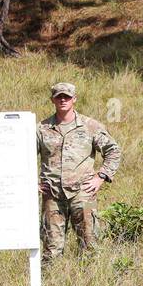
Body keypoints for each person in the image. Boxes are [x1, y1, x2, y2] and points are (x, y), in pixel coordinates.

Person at [37, 82, 121, 261]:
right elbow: (23, 156)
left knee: (89, 244)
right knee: (51, 248)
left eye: (66, 97)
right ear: (52, 99)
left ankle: (90, 285)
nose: (62, 100)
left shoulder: (90, 126)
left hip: (83, 193)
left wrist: (101, 176)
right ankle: (51, 284)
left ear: (74, 99)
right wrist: (30, 182)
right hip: (52, 195)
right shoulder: (42, 129)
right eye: (59, 96)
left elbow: (113, 150)